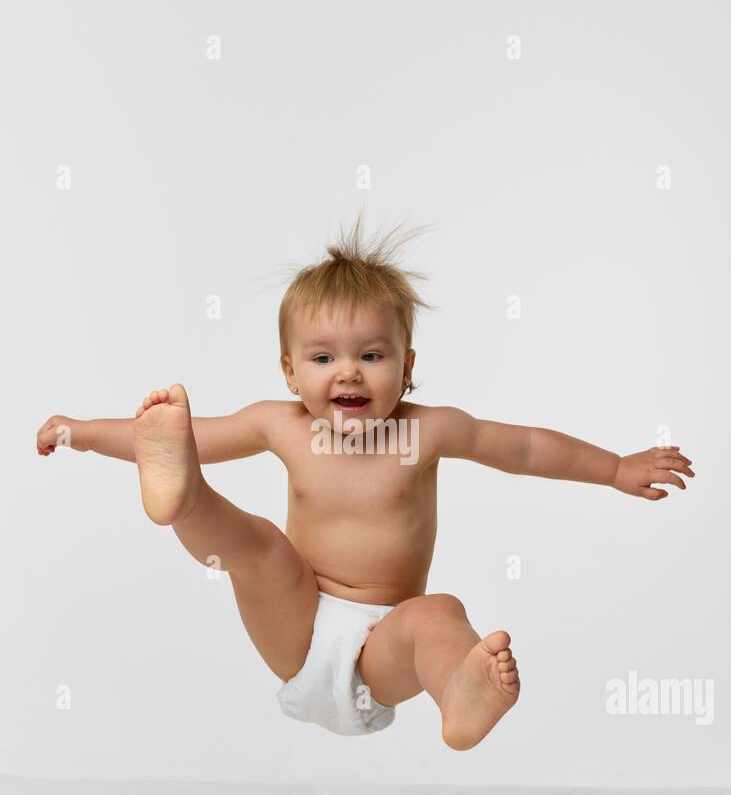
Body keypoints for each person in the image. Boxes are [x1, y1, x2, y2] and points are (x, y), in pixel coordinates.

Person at [36, 213, 694, 748]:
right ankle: (182, 494)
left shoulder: (429, 431)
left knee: (438, 615)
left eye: (371, 356)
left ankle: (457, 693)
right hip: (297, 626)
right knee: (261, 548)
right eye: (323, 358)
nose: (347, 373)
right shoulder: (280, 424)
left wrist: (613, 468)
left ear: (406, 367)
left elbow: (521, 447)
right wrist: (81, 432)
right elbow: (195, 433)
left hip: (385, 648)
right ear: (290, 372)